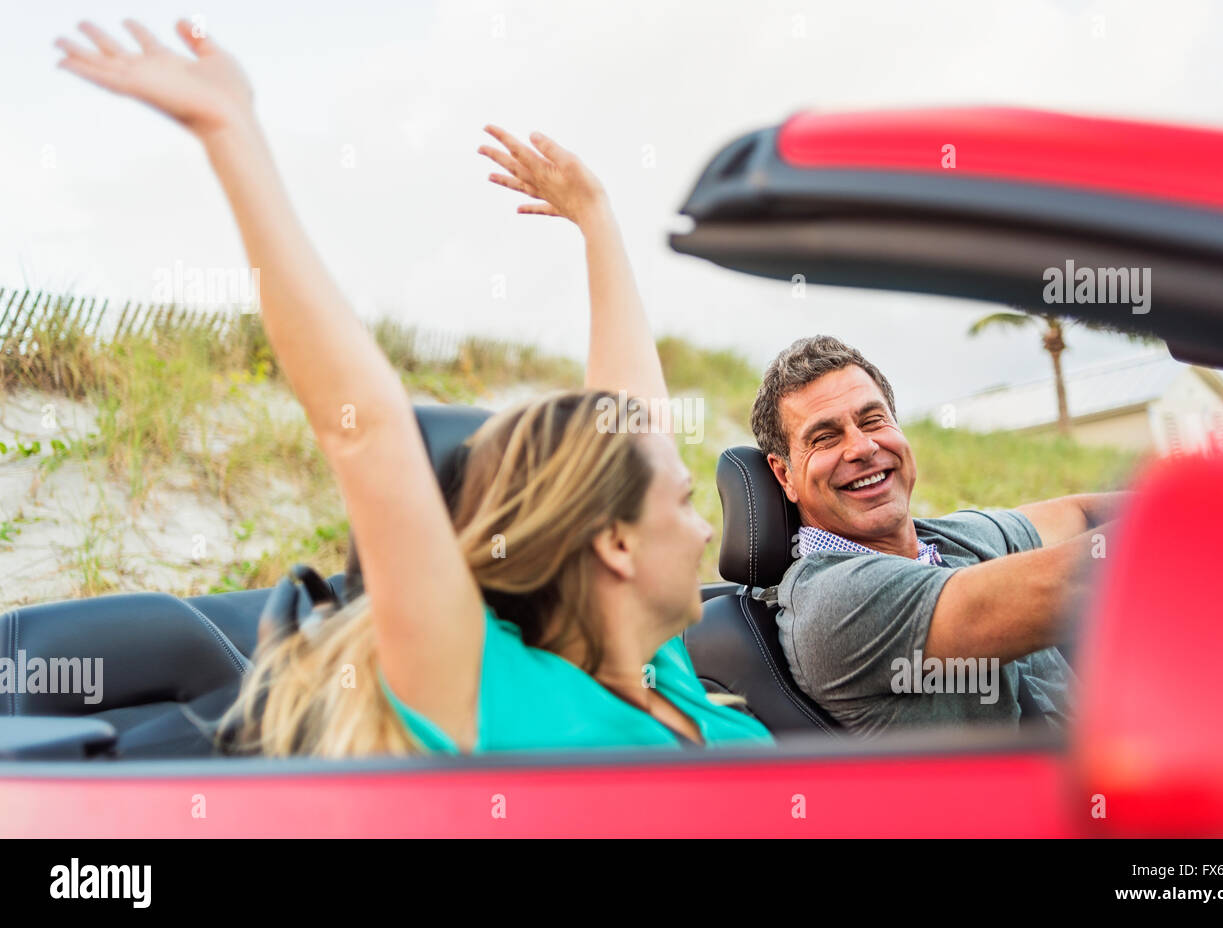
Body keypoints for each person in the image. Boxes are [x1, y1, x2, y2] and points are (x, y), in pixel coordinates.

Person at [54, 18, 772, 756]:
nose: (704, 529)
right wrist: (228, 128)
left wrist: (596, 221)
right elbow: (365, 430)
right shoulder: (494, 688)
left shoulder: (658, 670)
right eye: (684, 504)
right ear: (616, 544)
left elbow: (635, 426)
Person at [750, 335, 1129, 736]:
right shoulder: (832, 600)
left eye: (873, 420)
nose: (862, 447)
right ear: (784, 474)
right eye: (825, 437)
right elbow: (1073, 585)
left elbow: (1079, 514)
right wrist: (1189, 520)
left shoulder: (942, 539)